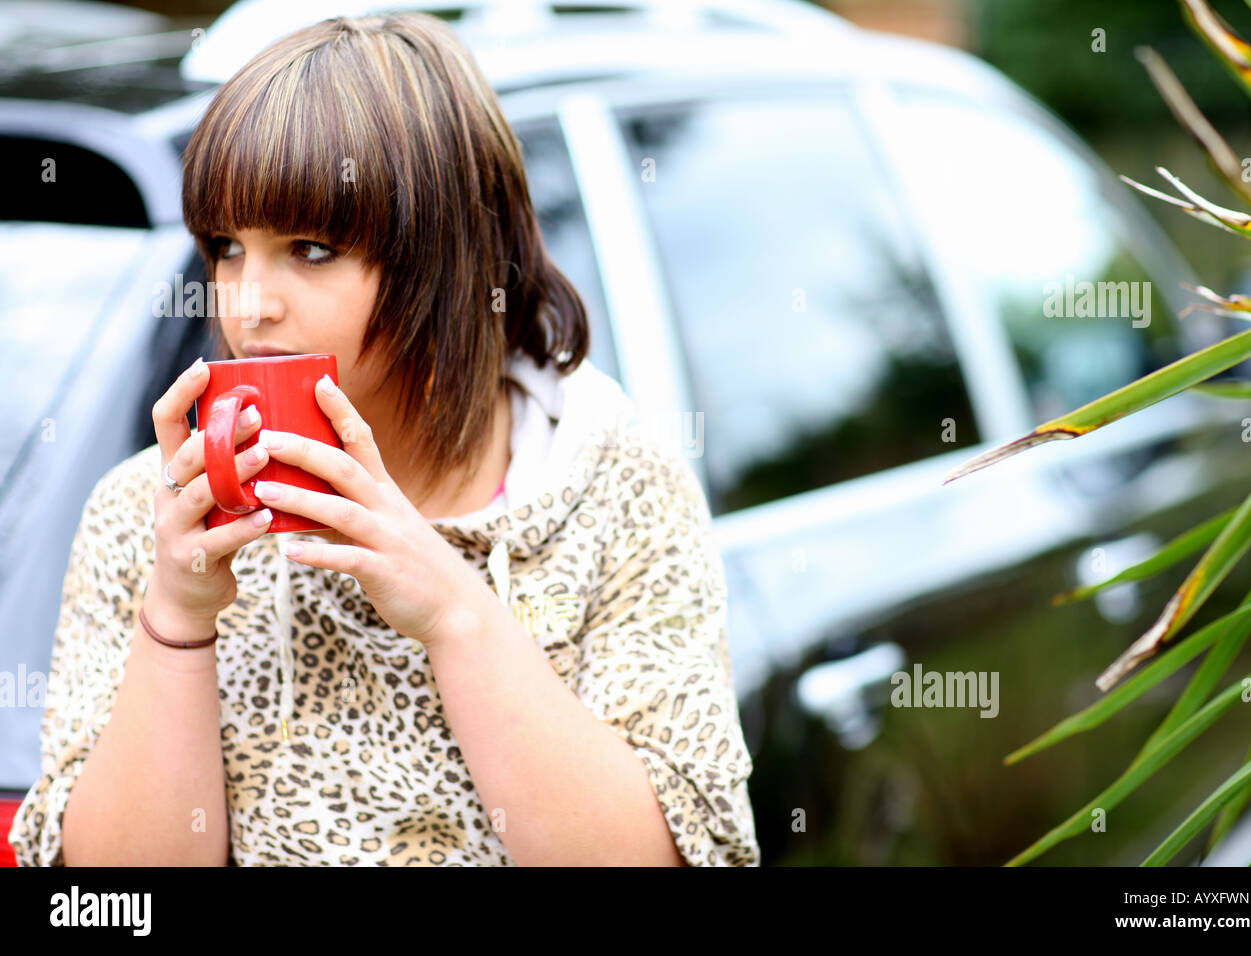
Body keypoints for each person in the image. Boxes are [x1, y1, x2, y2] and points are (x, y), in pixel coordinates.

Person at [7, 12, 759, 867]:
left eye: (312, 248)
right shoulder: (145, 518)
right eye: (225, 248)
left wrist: (452, 615)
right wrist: (177, 621)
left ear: (450, 255)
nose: (249, 304)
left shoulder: (617, 492)